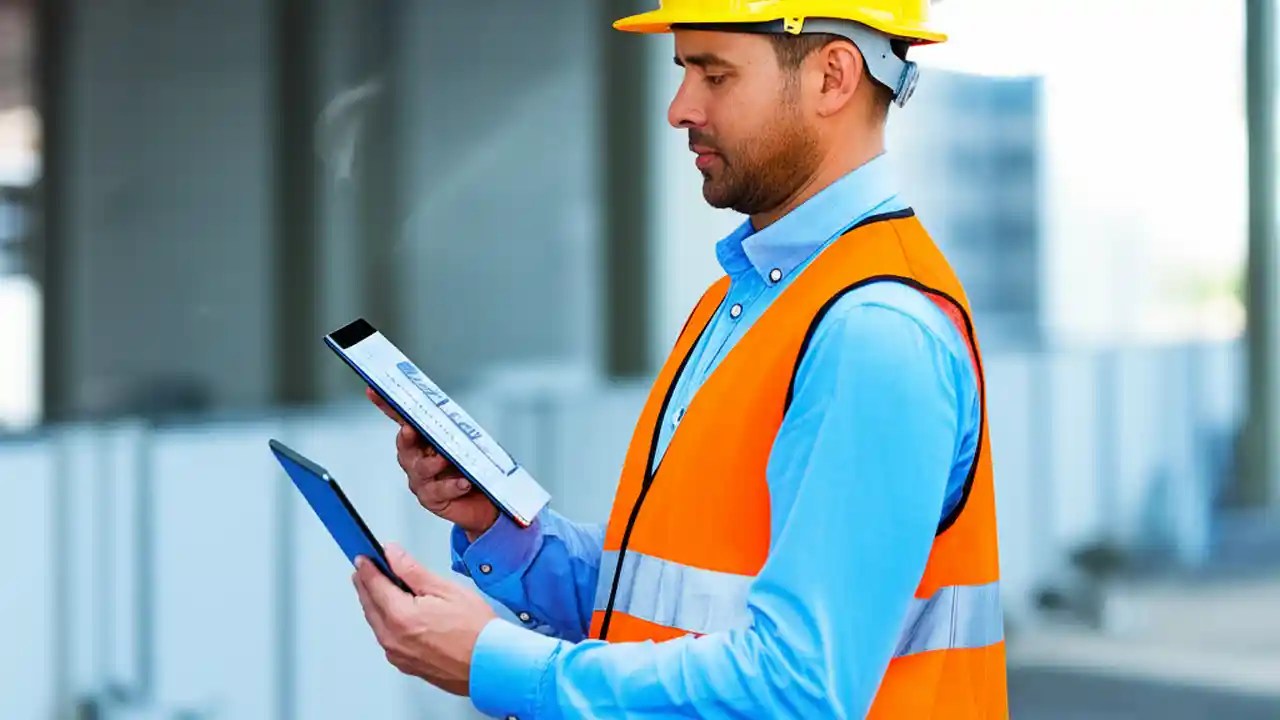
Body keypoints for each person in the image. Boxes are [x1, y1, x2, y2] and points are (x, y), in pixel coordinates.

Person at [350, 2, 1008, 717]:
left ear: (832, 77)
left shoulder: (873, 331)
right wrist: (508, 535)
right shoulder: (747, 299)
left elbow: (798, 687)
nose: (678, 108)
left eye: (714, 74)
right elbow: (671, 601)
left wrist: (499, 664)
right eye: (683, 71)